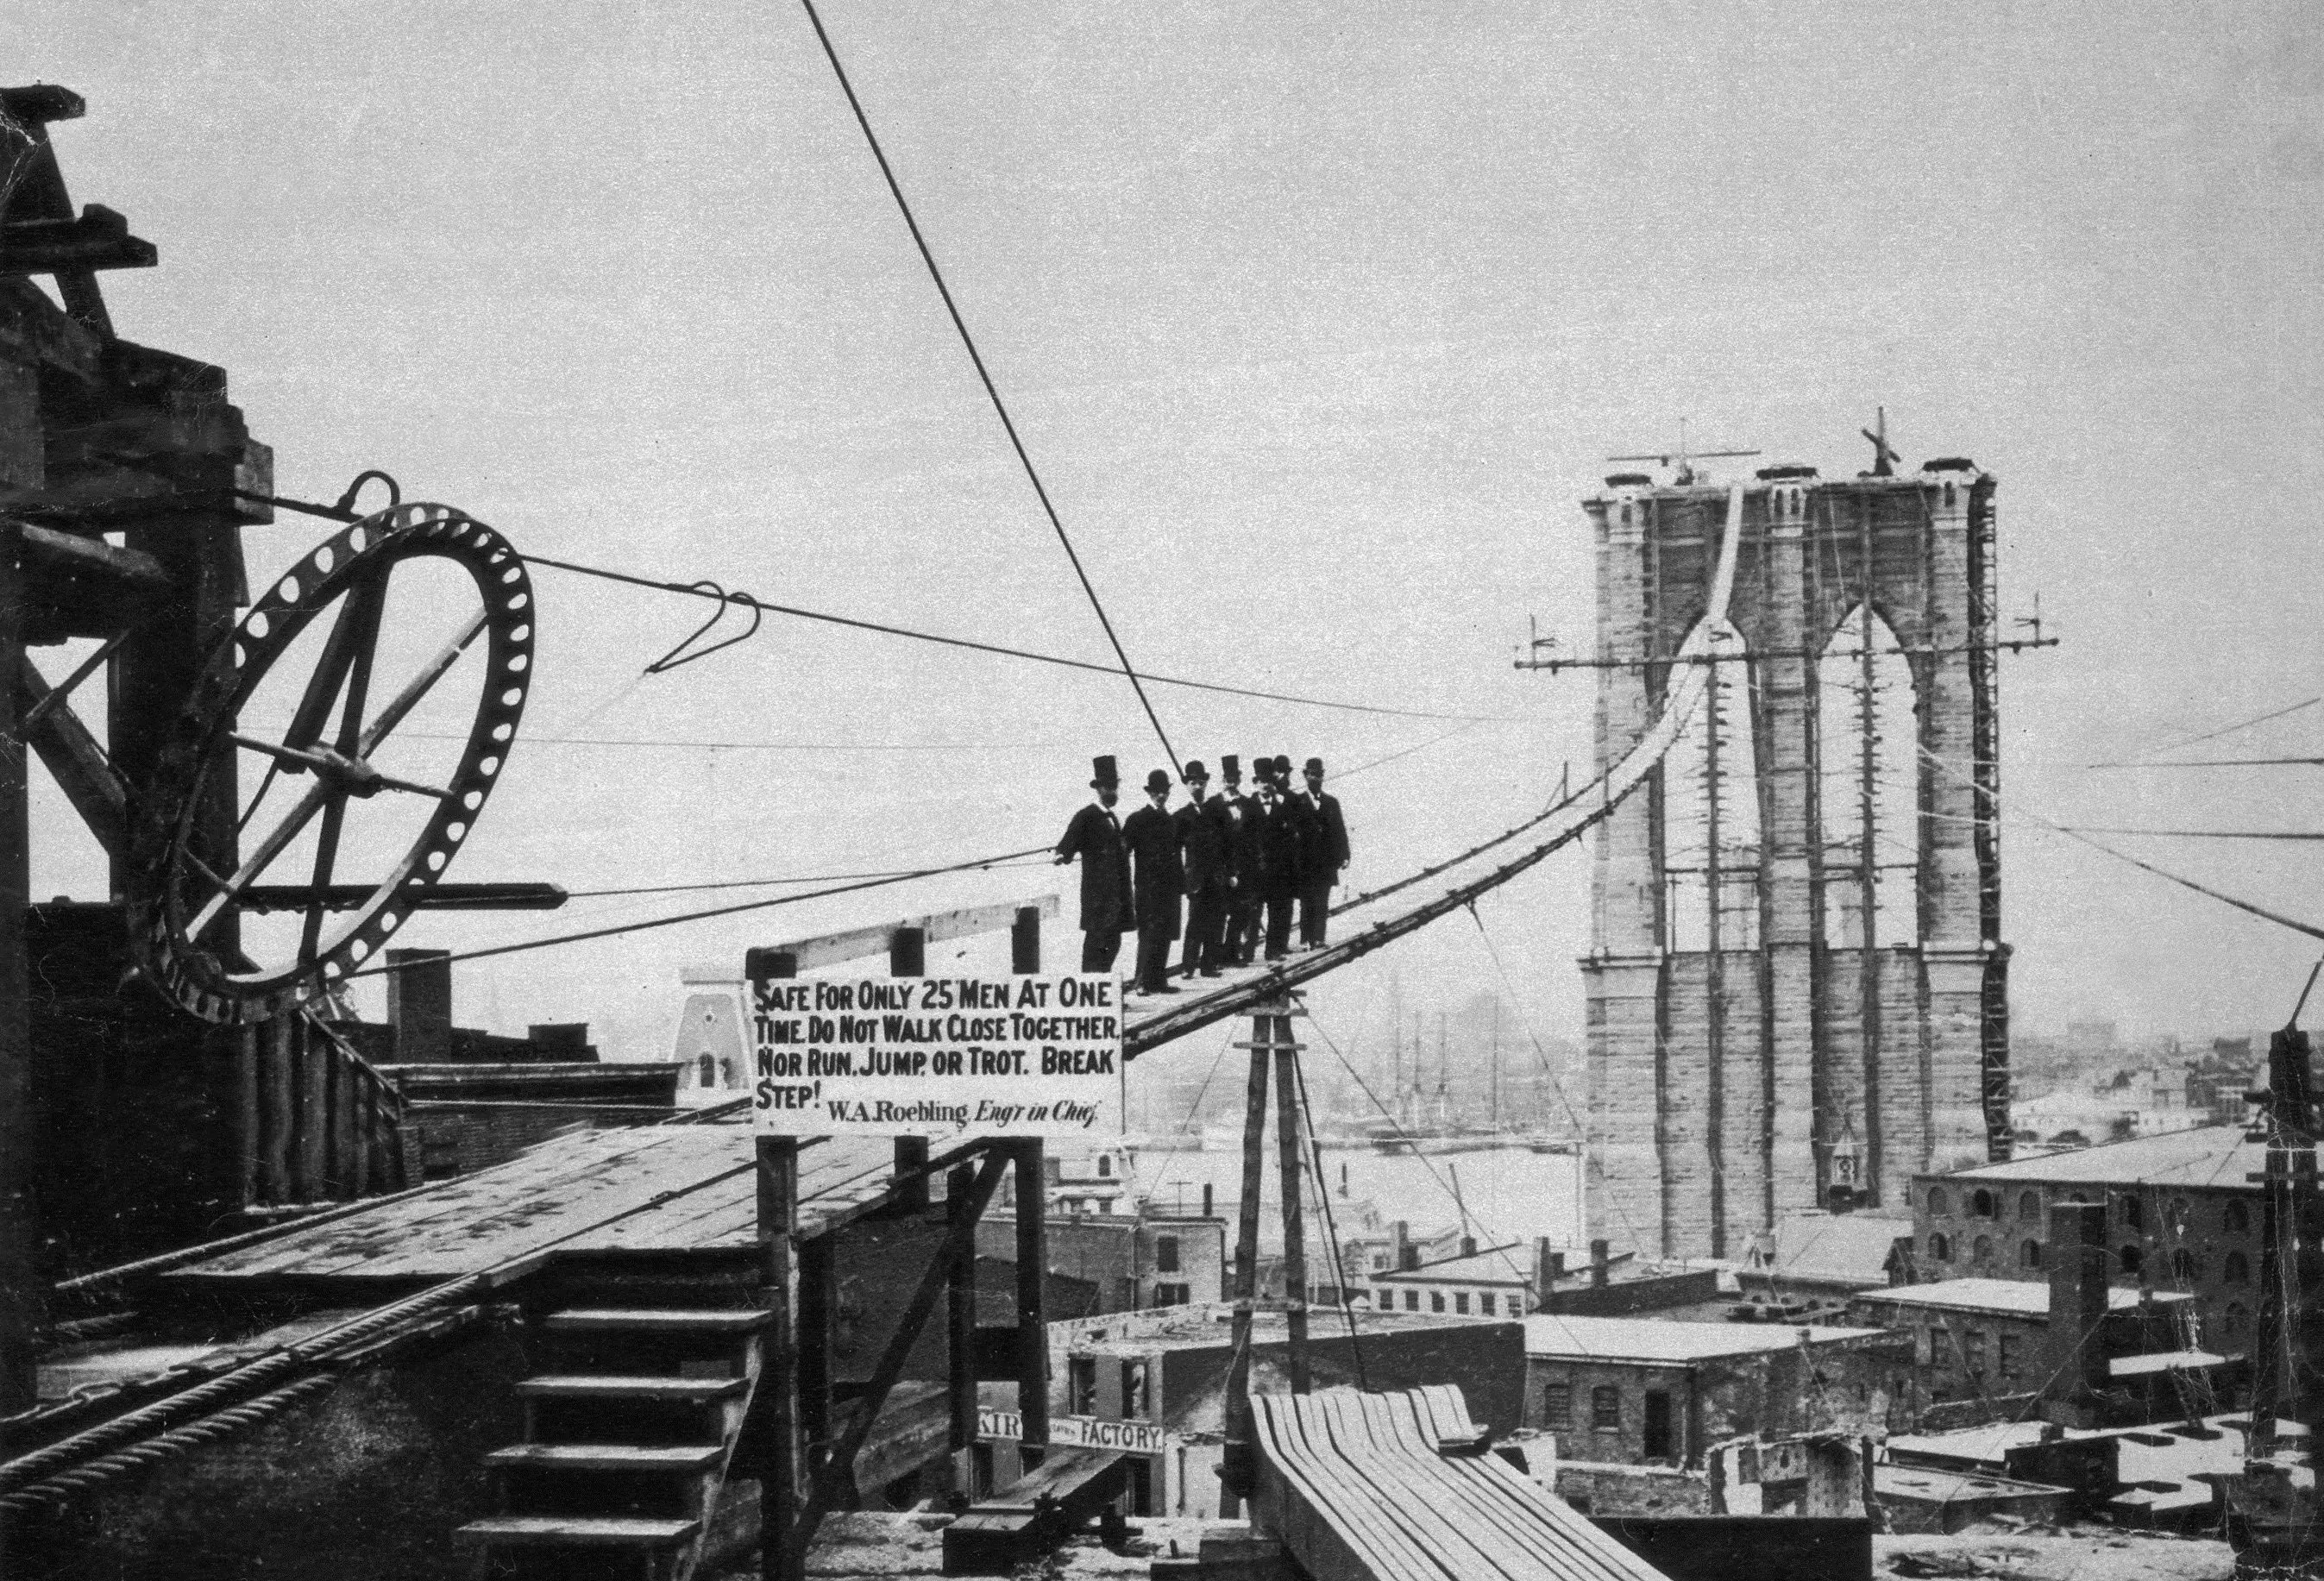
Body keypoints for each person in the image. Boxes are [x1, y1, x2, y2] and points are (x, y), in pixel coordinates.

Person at [1054, 755, 1132, 973]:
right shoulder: (1086, 816)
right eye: (1108, 787)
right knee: (1096, 943)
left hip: (1115, 895)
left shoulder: (1112, 818)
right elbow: (1069, 840)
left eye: (1114, 787)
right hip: (1097, 896)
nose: (1112, 792)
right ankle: (1091, 986)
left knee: (1114, 941)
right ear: (1098, 789)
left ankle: (1103, 984)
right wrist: (1062, 854)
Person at [1121, 768, 1184, 994]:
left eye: (1164, 791)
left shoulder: (1170, 820)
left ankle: (1159, 981)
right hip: (1147, 889)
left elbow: (1176, 855)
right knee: (1148, 934)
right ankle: (1142, 983)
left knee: (1165, 934)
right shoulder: (1137, 819)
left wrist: (1180, 886)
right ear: (1150, 793)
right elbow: (1123, 850)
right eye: (1157, 791)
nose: (1161, 795)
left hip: (1168, 888)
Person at [1174, 760, 1234, 978]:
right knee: (1195, 923)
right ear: (1187, 786)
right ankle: (1188, 967)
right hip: (1195, 880)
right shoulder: (1181, 816)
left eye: (1200, 782)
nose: (1197, 787)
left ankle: (1209, 965)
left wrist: (1231, 873)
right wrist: (1182, 878)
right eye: (1192, 783)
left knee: (1217, 921)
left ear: (1206, 784)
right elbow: (1173, 849)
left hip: (1217, 878)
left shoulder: (1218, 811)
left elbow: (1230, 845)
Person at [1297, 756, 1350, 947]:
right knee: (1306, 902)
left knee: (1322, 901)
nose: (1315, 779)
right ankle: (1305, 939)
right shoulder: (1298, 802)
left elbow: (1340, 830)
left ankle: (1319, 938)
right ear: (1305, 776)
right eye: (1311, 775)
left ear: (1323, 776)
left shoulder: (1331, 803)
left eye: (1318, 775)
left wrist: (1345, 855)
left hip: (1326, 863)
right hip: (1305, 863)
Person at [1258, 755, 1305, 961]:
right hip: (1268, 866)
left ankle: (1279, 946)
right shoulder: (1256, 805)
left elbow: (1293, 828)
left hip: (1284, 865)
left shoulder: (1283, 801)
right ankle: (1271, 950)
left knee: (1283, 907)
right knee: (1274, 908)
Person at [1218, 755, 1261, 965]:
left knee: (1242, 911)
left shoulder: (1248, 804)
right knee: (1222, 912)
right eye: (1227, 777)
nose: (1231, 781)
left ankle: (1232, 952)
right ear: (1222, 779)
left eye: (1234, 777)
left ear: (1239, 779)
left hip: (1245, 867)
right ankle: (1220, 955)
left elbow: (1254, 836)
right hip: (1225, 867)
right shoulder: (1215, 805)